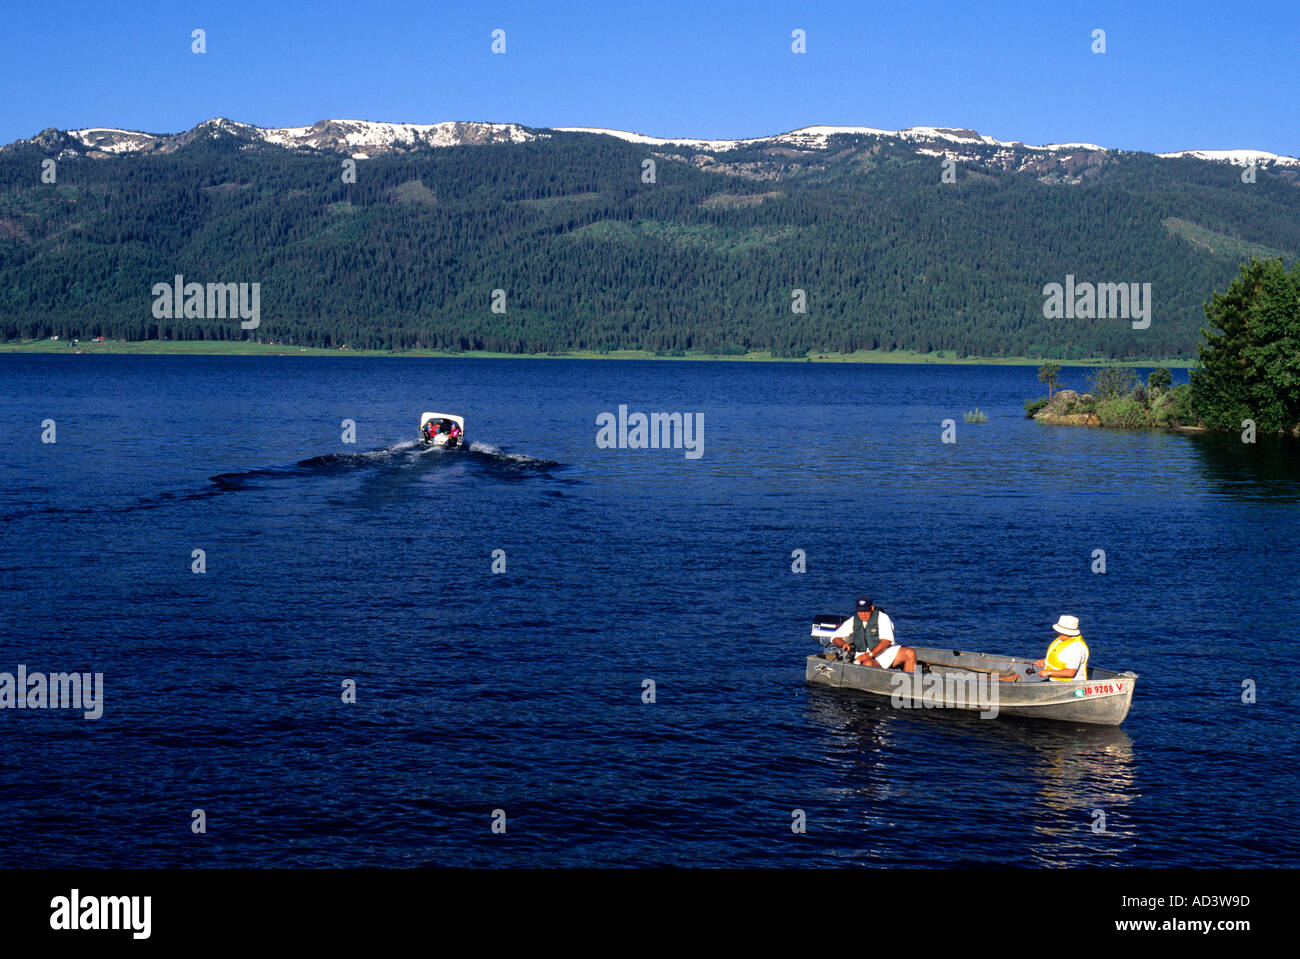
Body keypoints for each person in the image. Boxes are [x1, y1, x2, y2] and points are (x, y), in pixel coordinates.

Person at [830, 596, 917, 673]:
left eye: (866, 611)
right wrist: (843, 644)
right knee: (868, 663)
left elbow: (887, 640)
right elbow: (834, 637)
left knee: (910, 653)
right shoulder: (853, 620)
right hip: (862, 654)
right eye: (860, 611)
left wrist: (870, 654)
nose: (863, 614)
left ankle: (910, 684)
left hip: (884, 653)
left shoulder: (882, 618)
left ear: (872, 608)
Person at [999, 615, 1089, 683]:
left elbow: (1070, 673)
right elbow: (1060, 657)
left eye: (1061, 632)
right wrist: (1045, 661)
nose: (1058, 633)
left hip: (1069, 685)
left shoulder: (1076, 648)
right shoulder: (1063, 639)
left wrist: (1048, 673)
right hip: (1054, 681)